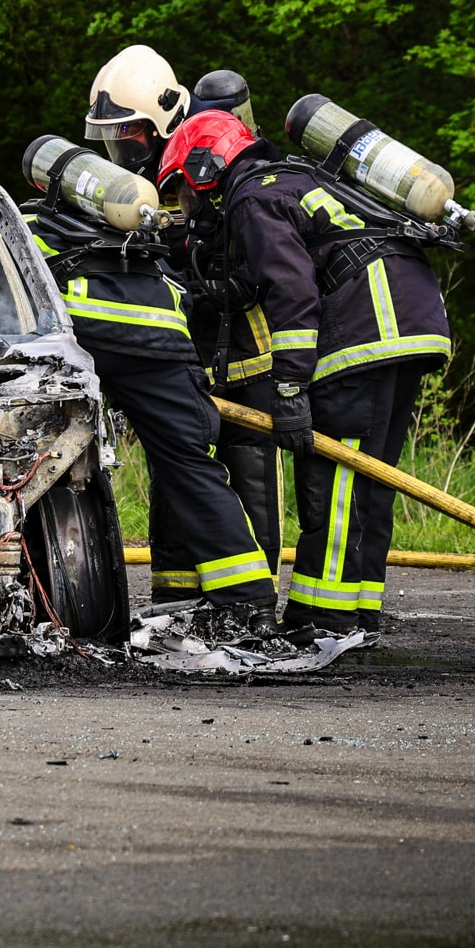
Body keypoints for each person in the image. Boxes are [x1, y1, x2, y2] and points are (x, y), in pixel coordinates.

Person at [158, 109, 451, 640]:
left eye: (184, 187)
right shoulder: (297, 176)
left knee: (333, 481)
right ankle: (358, 611)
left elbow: (290, 294)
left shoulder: (250, 199)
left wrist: (290, 385)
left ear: (204, 165)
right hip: (414, 320)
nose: (186, 202)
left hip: (365, 330)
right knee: (371, 478)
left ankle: (324, 619)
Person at [25, 46, 276, 629]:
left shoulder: (203, 155)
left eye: (133, 133)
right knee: (184, 466)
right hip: (167, 336)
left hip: (229, 348)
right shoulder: (117, 193)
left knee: (203, 467)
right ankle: (206, 602)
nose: (125, 150)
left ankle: (238, 601)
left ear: (167, 116)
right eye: (114, 139)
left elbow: (239, 253)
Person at [176, 69, 282, 575]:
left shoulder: (258, 178)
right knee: (194, 473)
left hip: (252, 355)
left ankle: (255, 593)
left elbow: (271, 269)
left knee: (254, 476)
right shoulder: (190, 166)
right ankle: (199, 591)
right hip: (202, 359)